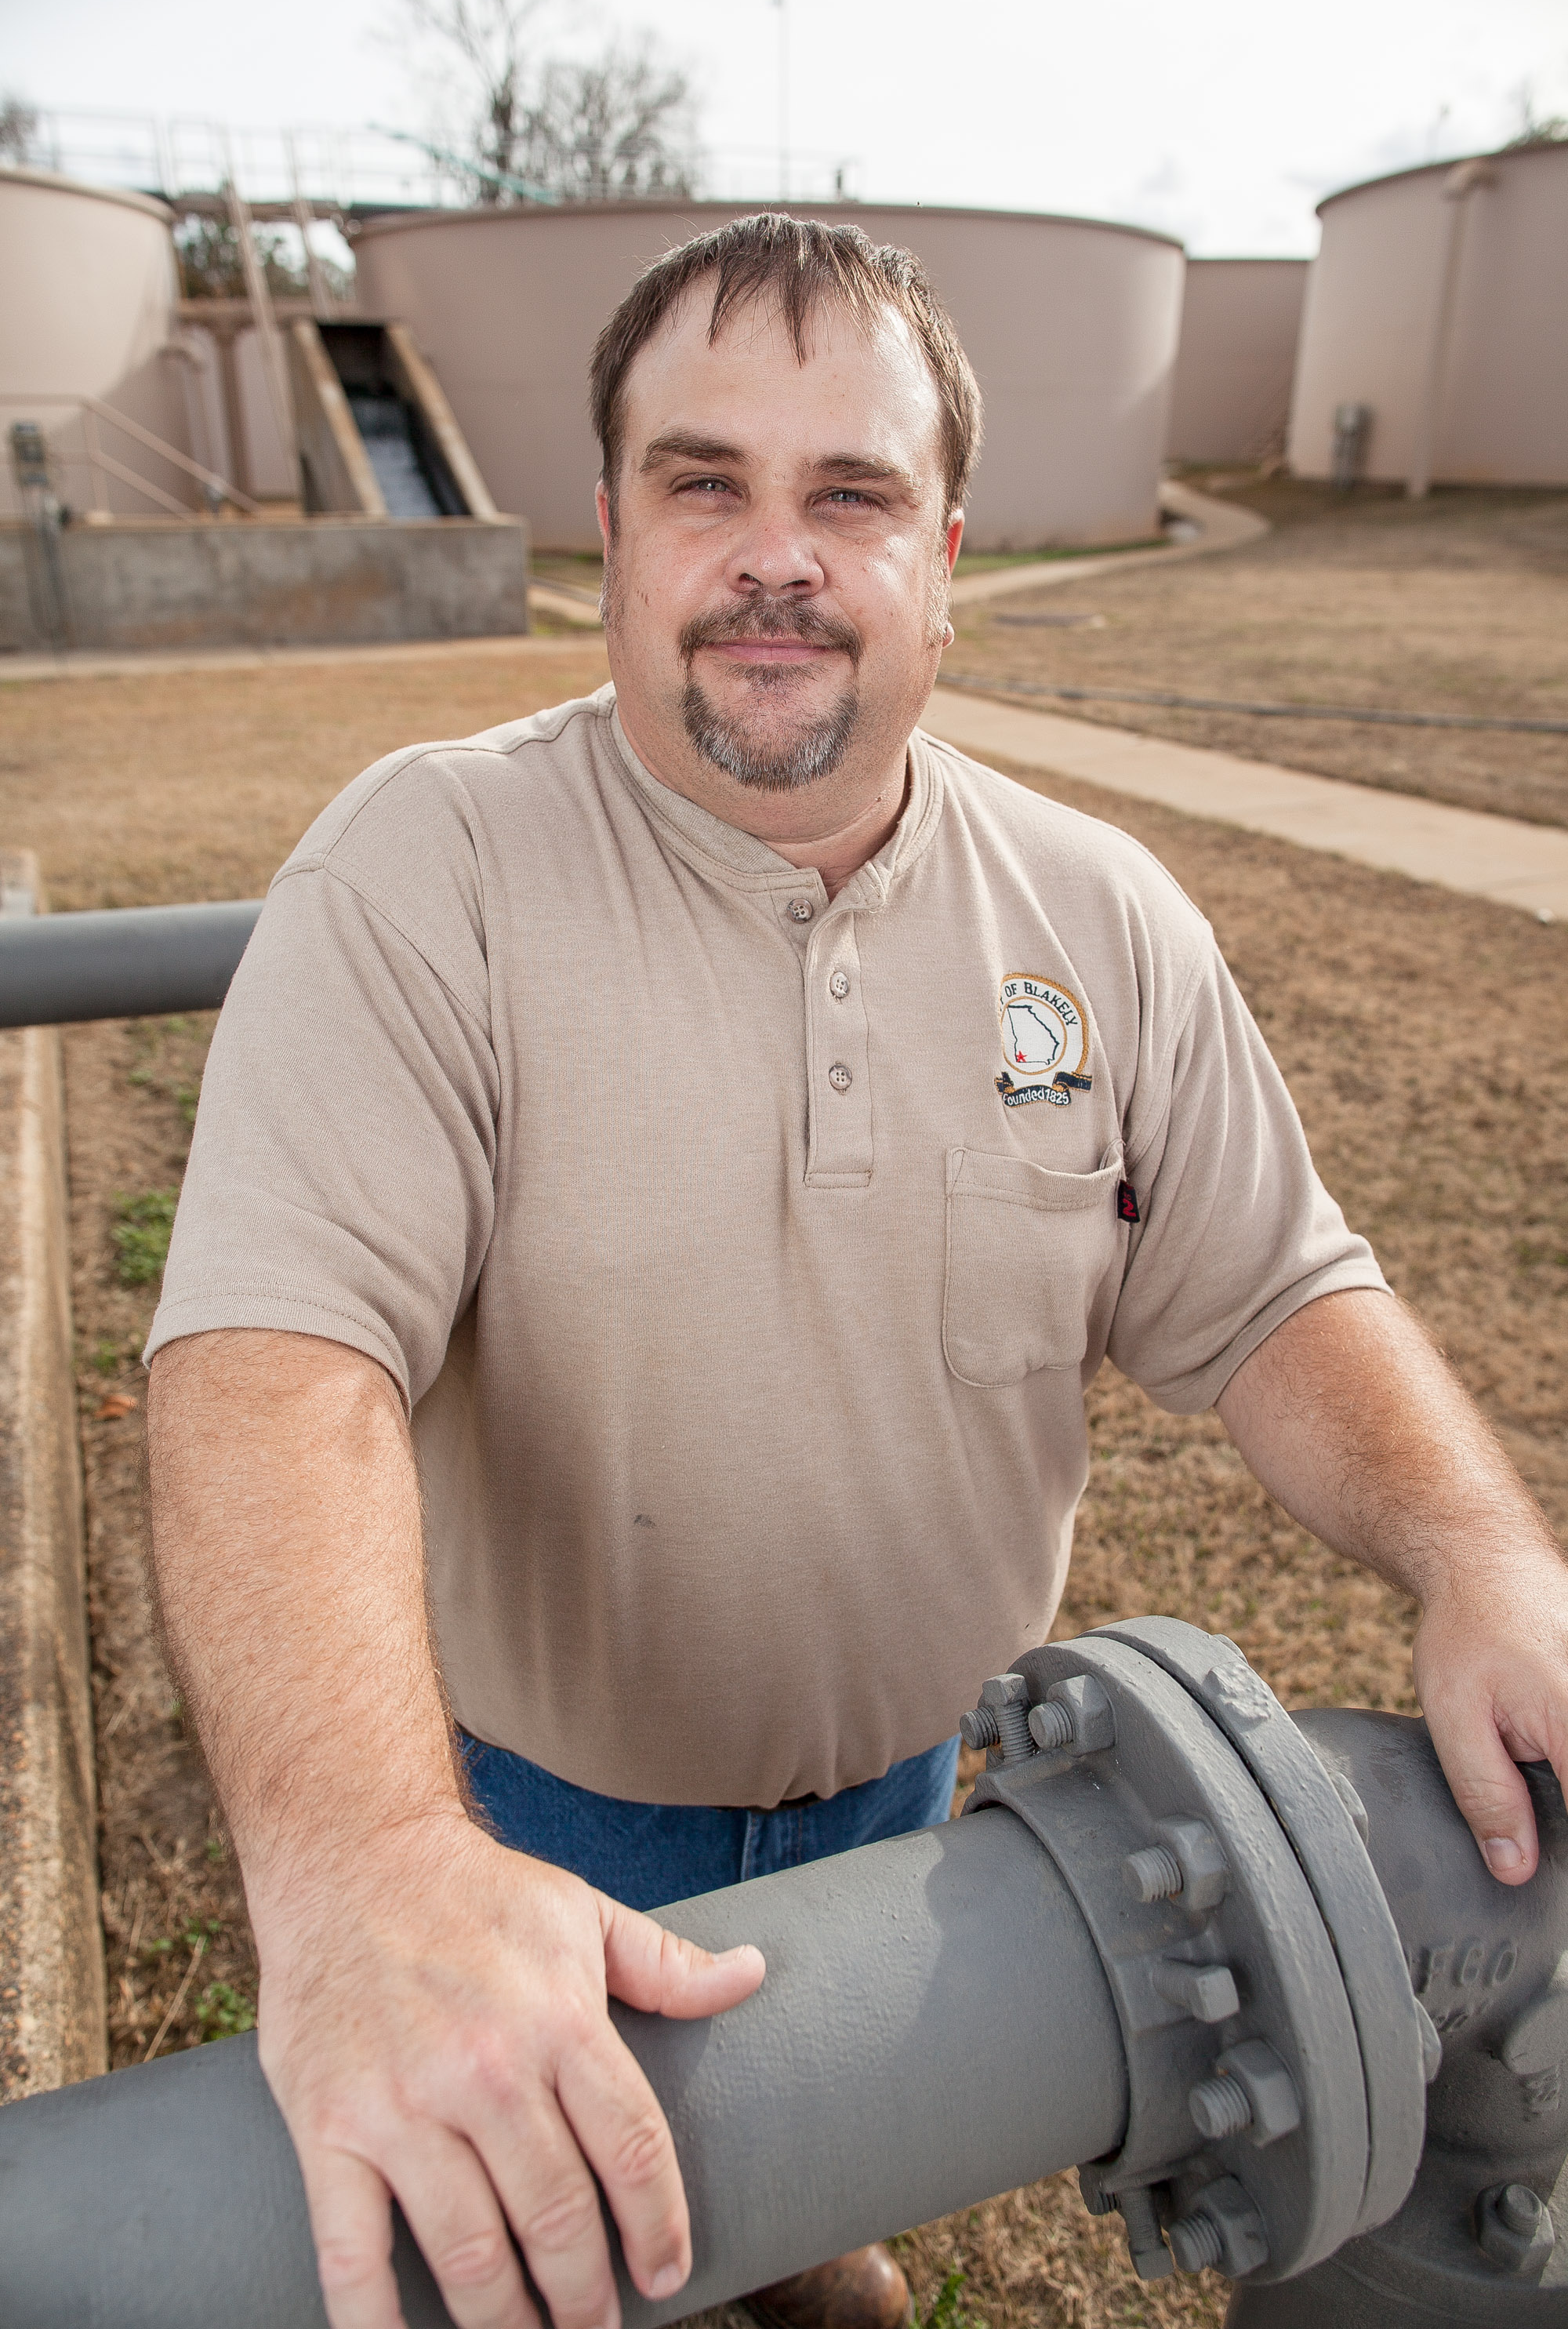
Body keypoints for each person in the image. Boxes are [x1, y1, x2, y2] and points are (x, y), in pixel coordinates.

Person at [146, 214, 1568, 2329]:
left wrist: (1478, 1545)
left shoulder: (1101, 916)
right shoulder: (421, 871)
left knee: (812, 2257)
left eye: (854, 495)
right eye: (707, 484)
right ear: (610, 531)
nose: (775, 558)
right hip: (537, 1817)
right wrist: (366, 1863)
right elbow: (277, 1357)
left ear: (947, 557)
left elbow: (1273, 1290)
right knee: (573, 2277)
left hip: (934, 1824)